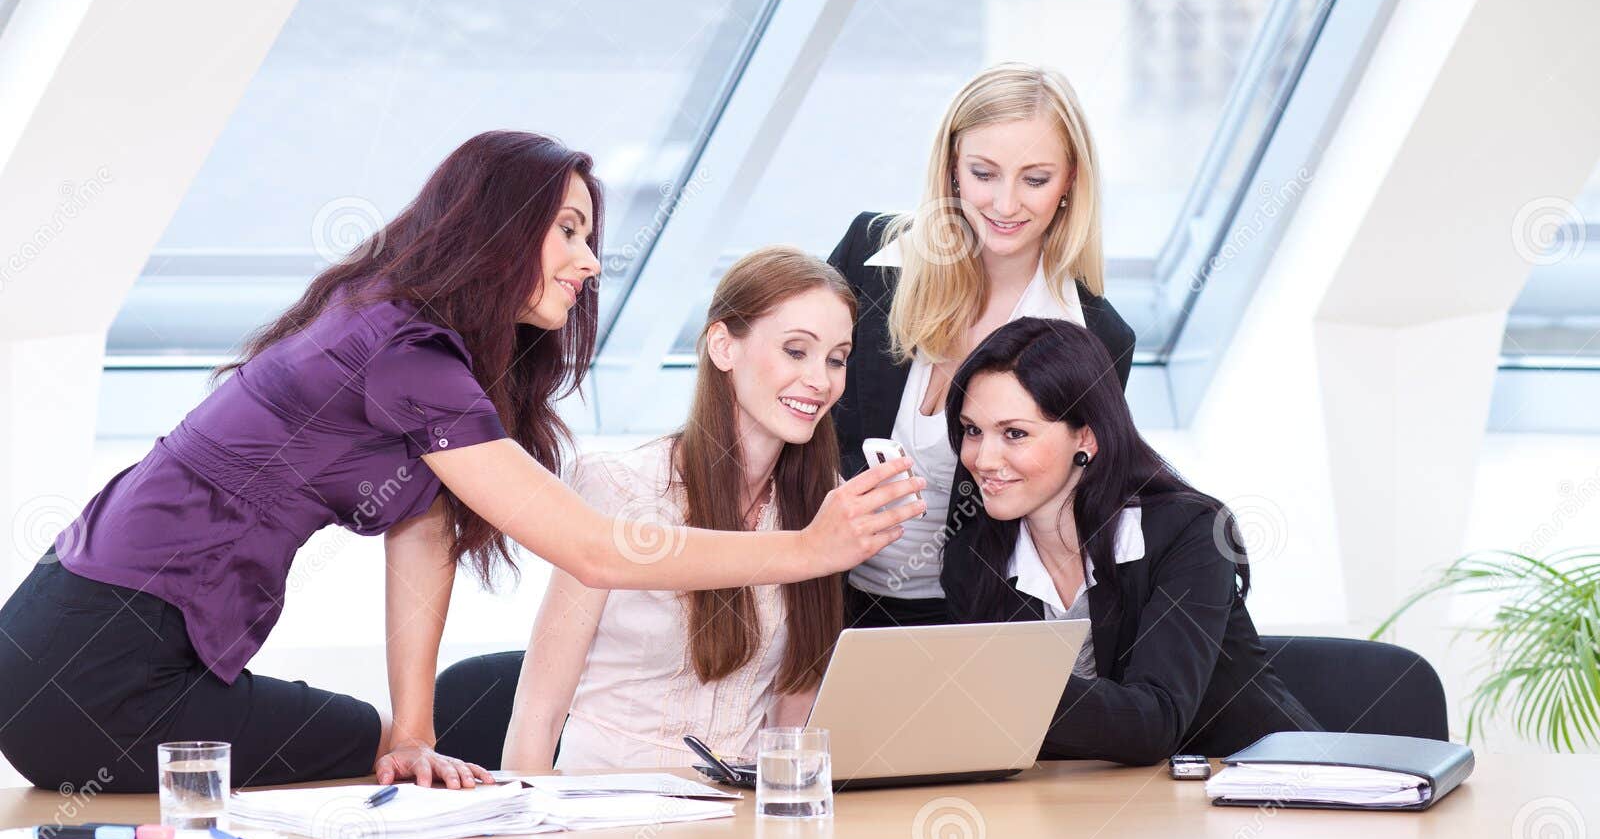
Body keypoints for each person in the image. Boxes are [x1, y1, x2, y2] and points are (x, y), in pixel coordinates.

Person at [0, 132, 925, 793]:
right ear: (497, 228)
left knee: (370, 746)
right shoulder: (403, 346)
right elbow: (597, 550)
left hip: (79, 642)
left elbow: (424, 528)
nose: (588, 261)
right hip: (93, 660)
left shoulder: (410, 339)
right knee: (345, 751)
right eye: (567, 231)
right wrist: (809, 549)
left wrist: (414, 727)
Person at [501, 247, 860, 770]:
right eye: (796, 351)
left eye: (836, 359)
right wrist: (527, 828)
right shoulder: (621, 489)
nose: (821, 381)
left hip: (739, 824)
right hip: (607, 818)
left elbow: (793, 712)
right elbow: (539, 708)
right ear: (723, 346)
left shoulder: (821, 500)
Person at [829, 62, 1135, 630]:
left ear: (1071, 181)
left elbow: (1075, 508)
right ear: (952, 169)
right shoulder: (868, 257)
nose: (1005, 203)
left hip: (969, 618)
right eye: (984, 173)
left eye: (1035, 179)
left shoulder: (1096, 337)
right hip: (819, 591)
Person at [940, 317, 1320, 764]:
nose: (982, 459)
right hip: (1105, 809)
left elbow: (1153, 723)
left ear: (1086, 437)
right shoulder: (974, 556)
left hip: (1268, 795)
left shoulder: (1191, 534)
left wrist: (993, 687)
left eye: (1015, 433)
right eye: (972, 430)